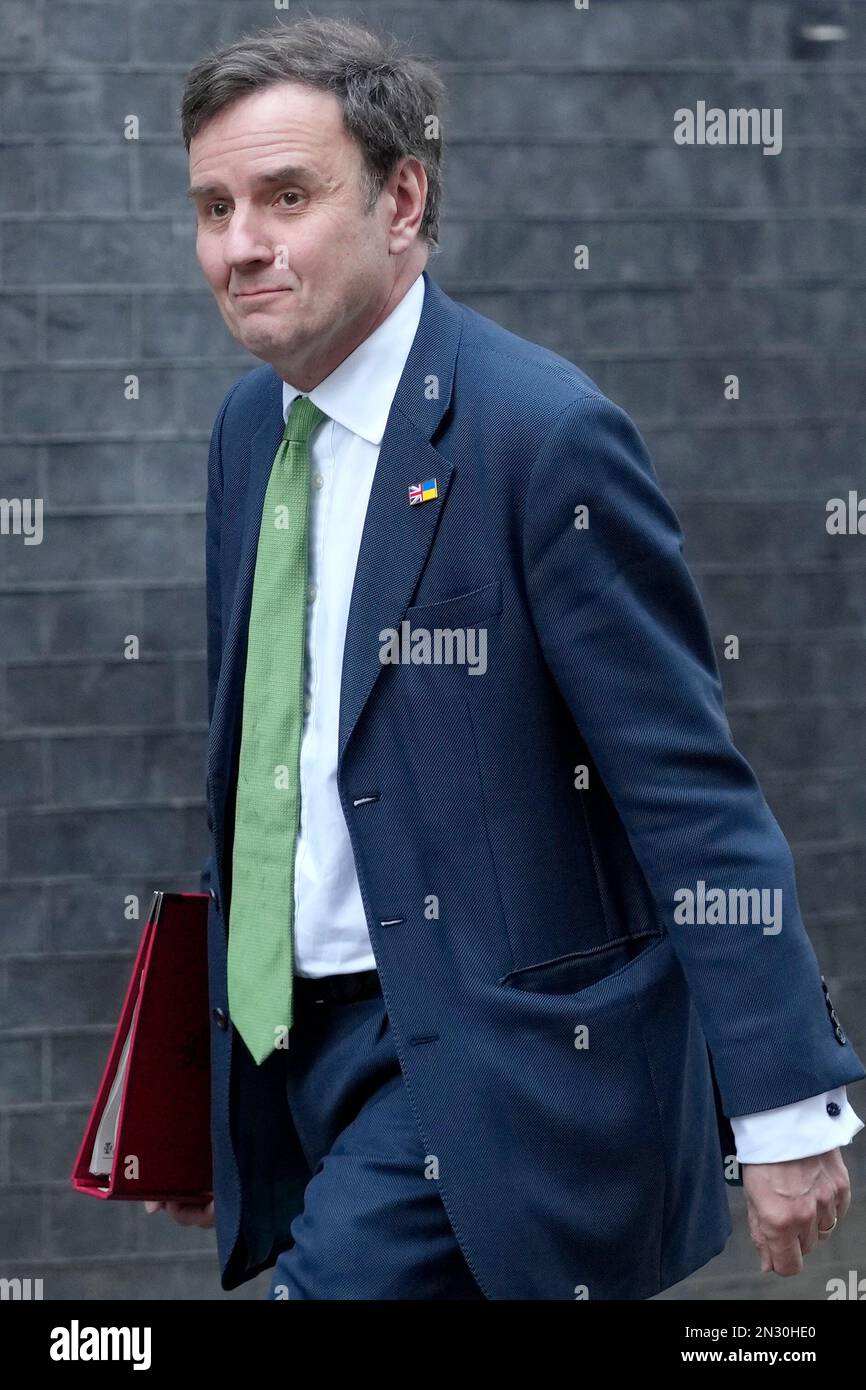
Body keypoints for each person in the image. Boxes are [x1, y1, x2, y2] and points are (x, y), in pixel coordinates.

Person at [145, 17, 864, 1299]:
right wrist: (218, 1083)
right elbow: (270, 765)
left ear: (401, 196)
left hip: (495, 1054)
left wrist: (785, 1102)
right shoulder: (251, 432)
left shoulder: (544, 438)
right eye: (213, 205)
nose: (239, 245)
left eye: (286, 198)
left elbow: (683, 785)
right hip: (298, 1046)